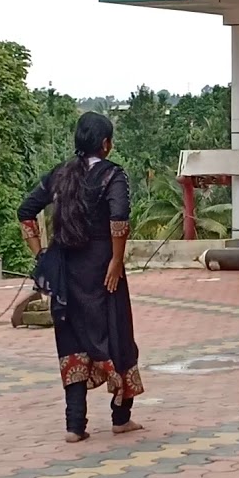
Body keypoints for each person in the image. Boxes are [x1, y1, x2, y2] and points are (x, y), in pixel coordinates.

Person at [18, 112, 144, 442]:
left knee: (72, 342)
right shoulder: (113, 175)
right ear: (105, 144)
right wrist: (116, 261)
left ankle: (75, 425)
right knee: (117, 335)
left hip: (65, 270)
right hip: (103, 268)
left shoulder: (60, 174)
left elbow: (25, 211)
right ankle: (121, 418)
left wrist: (41, 255)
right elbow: (119, 220)